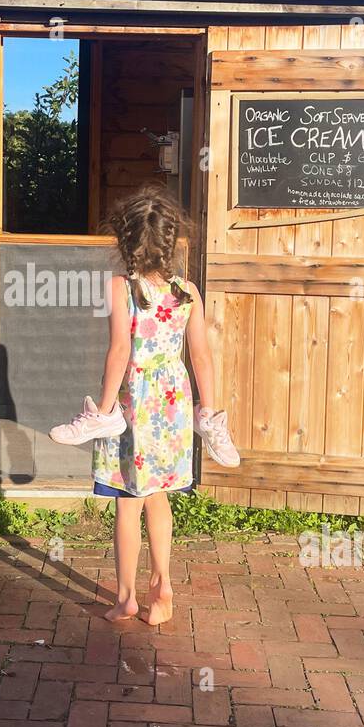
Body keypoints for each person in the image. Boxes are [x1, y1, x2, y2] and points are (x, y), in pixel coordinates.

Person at [49, 184, 239, 625]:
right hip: (173, 406)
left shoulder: (122, 288)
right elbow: (202, 357)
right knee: (158, 498)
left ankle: (127, 598)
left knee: (127, 503)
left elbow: (119, 352)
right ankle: (163, 590)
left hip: (132, 405)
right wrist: (207, 411)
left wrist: (102, 408)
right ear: (171, 241)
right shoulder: (187, 292)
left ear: (125, 240)